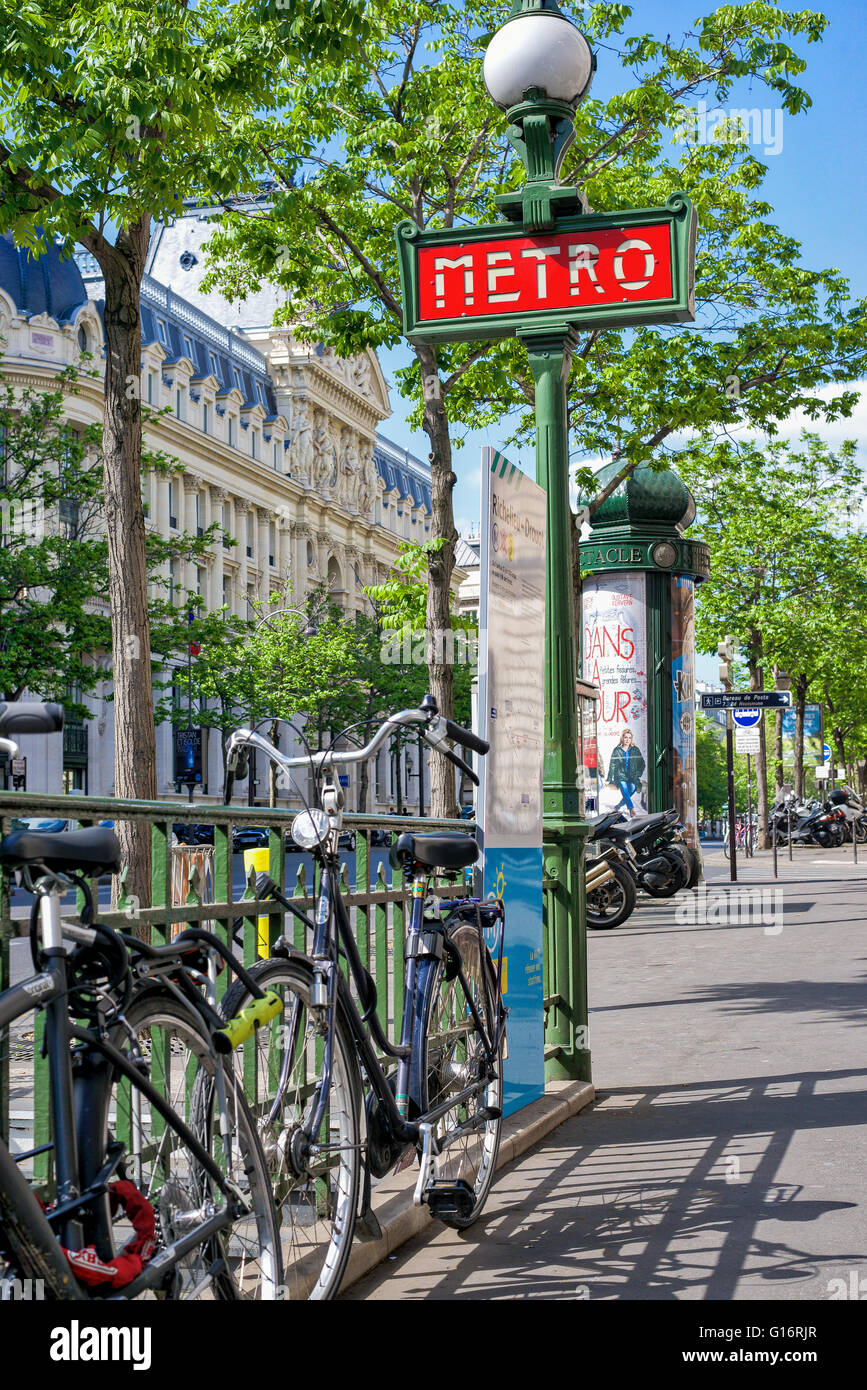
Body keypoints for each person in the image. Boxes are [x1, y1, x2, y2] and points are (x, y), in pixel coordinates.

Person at [606, 728, 646, 817]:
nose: (627, 740)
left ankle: (619, 805)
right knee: (624, 787)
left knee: (632, 788)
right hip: (620, 775)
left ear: (631, 739)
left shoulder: (635, 750)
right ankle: (631, 809)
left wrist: (638, 773)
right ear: (622, 738)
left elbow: (642, 763)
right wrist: (609, 777)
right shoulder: (617, 750)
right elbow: (612, 764)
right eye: (625, 737)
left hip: (632, 776)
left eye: (629, 738)